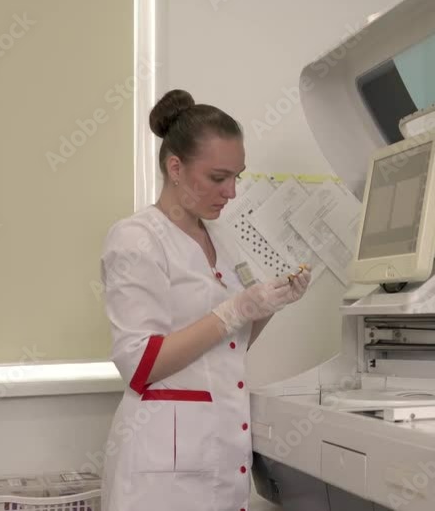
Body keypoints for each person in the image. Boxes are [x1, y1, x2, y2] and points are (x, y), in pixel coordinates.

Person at [99, 89, 311, 510]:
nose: (231, 192)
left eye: (237, 176)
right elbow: (140, 365)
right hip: (163, 474)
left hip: (219, 455)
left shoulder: (221, 240)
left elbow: (230, 345)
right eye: (218, 177)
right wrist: (235, 308)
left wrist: (269, 305)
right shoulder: (136, 240)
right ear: (175, 167)